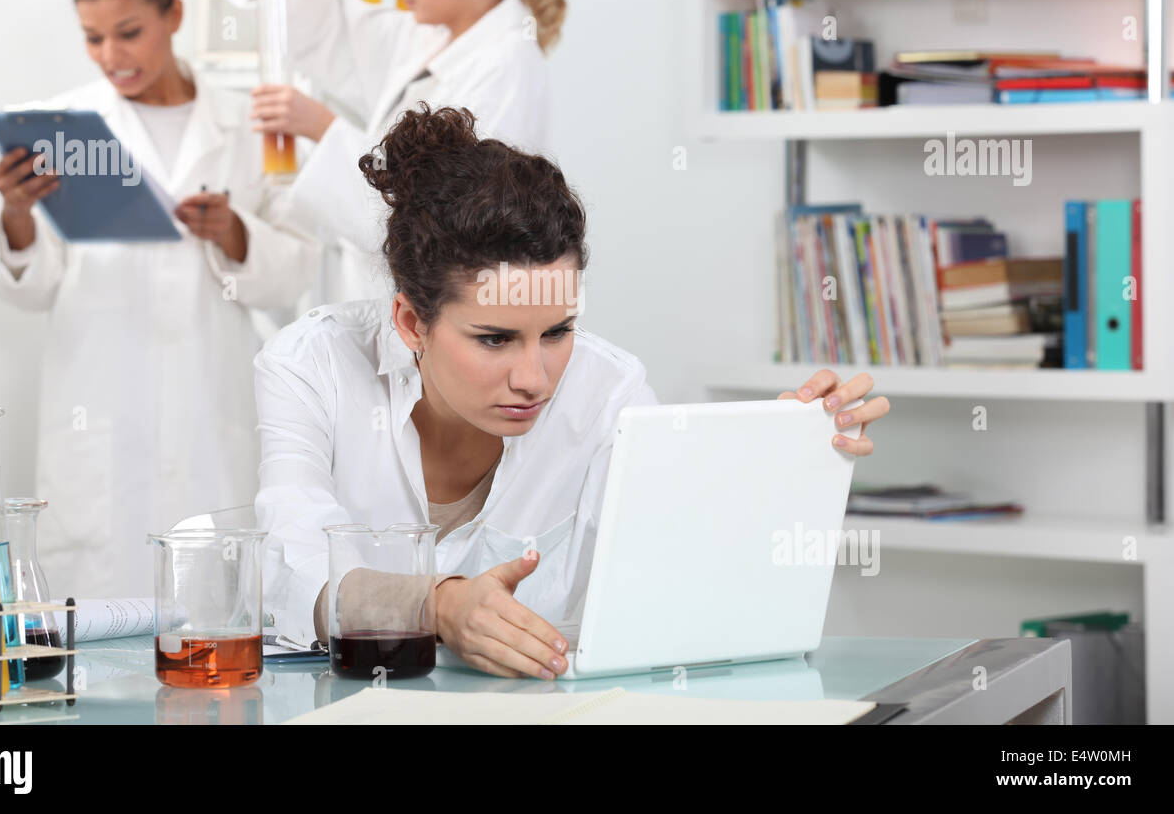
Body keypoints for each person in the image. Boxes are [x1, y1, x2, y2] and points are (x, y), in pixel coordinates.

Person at [254, 103, 890, 678]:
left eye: (557, 331)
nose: (535, 379)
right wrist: (438, 605)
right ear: (411, 321)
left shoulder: (610, 392)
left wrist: (769, 463)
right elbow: (291, 566)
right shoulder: (313, 367)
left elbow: (679, 574)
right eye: (495, 339)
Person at [0, 0, 318, 597]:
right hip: (99, 421)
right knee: (98, 643)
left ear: (175, 16)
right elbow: (29, 287)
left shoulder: (250, 125)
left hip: (207, 418)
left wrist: (234, 233)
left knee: (215, 640)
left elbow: (299, 269)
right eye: (93, 38)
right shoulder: (62, 127)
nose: (112, 56)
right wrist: (16, 212)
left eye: (128, 32)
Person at [224, 0, 573, 303]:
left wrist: (323, 128)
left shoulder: (507, 67)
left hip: (439, 318)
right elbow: (336, 32)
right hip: (387, 309)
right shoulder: (428, 37)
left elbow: (455, 222)